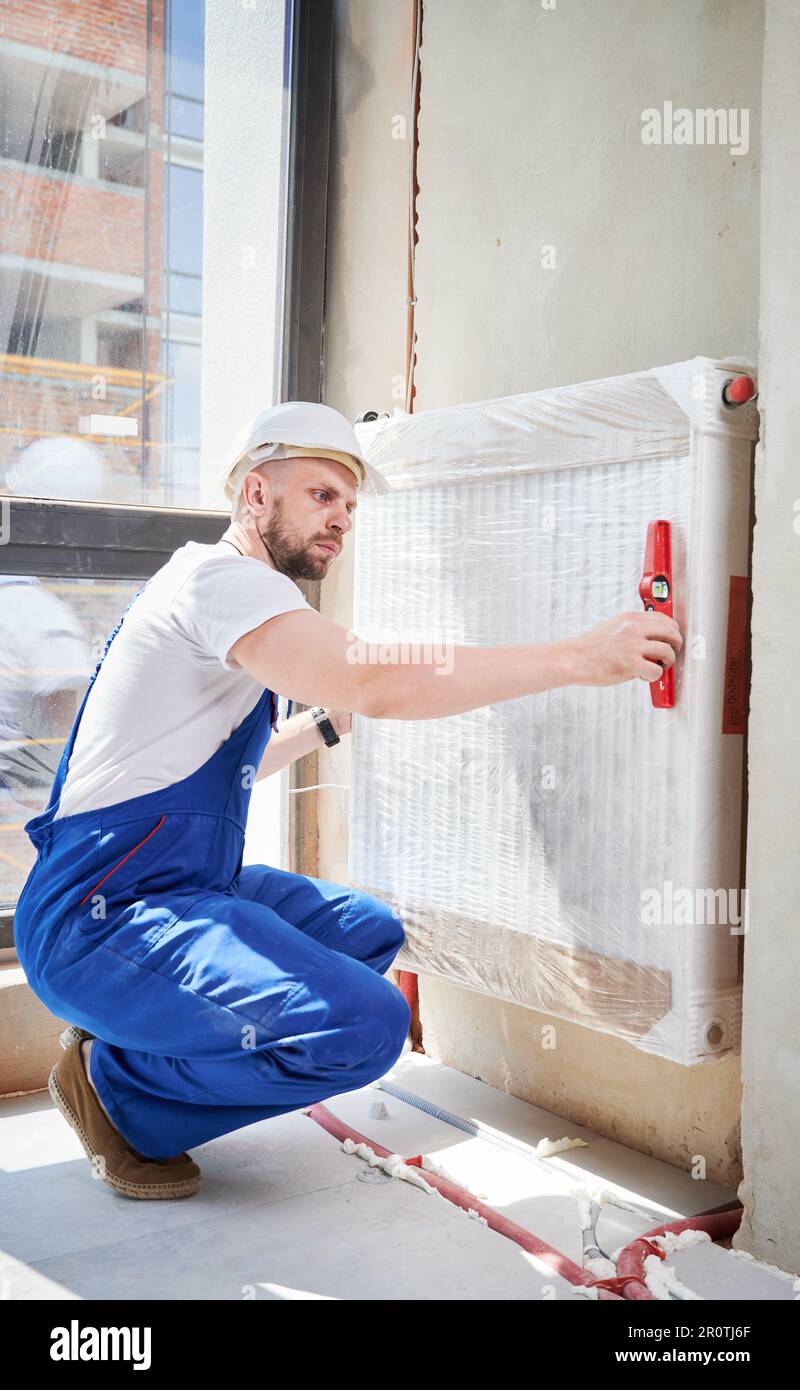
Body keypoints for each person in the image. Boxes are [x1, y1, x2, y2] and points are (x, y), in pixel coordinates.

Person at [14, 400, 681, 1200]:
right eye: (322, 495)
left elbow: (225, 770)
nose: (342, 519)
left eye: (350, 505)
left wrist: (328, 726)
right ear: (255, 495)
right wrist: (579, 657)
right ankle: (118, 1093)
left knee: (366, 933)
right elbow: (367, 671)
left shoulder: (224, 599)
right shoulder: (219, 579)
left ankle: (133, 1032)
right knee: (364, 1025)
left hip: (179, 890)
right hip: (103, 914)